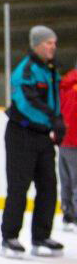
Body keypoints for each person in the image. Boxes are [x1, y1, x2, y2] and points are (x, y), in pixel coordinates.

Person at [1, 25, 66, 257]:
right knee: (19, 187)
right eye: (49, 43)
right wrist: (53, 118)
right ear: (37, 44)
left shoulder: (50, 70)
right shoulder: (25, 71)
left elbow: (56, 99)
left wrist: (57, 123)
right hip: (21, 134)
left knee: (48, 186)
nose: (53, 47)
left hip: (42, 136)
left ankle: (41, 236)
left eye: (54, 43)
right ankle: (9, 237)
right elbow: (27, 102)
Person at [58, 61, 77, 232]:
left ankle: (68, 213)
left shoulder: (65, 82)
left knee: (67, 179)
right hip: (74, 138)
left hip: (64, 138)